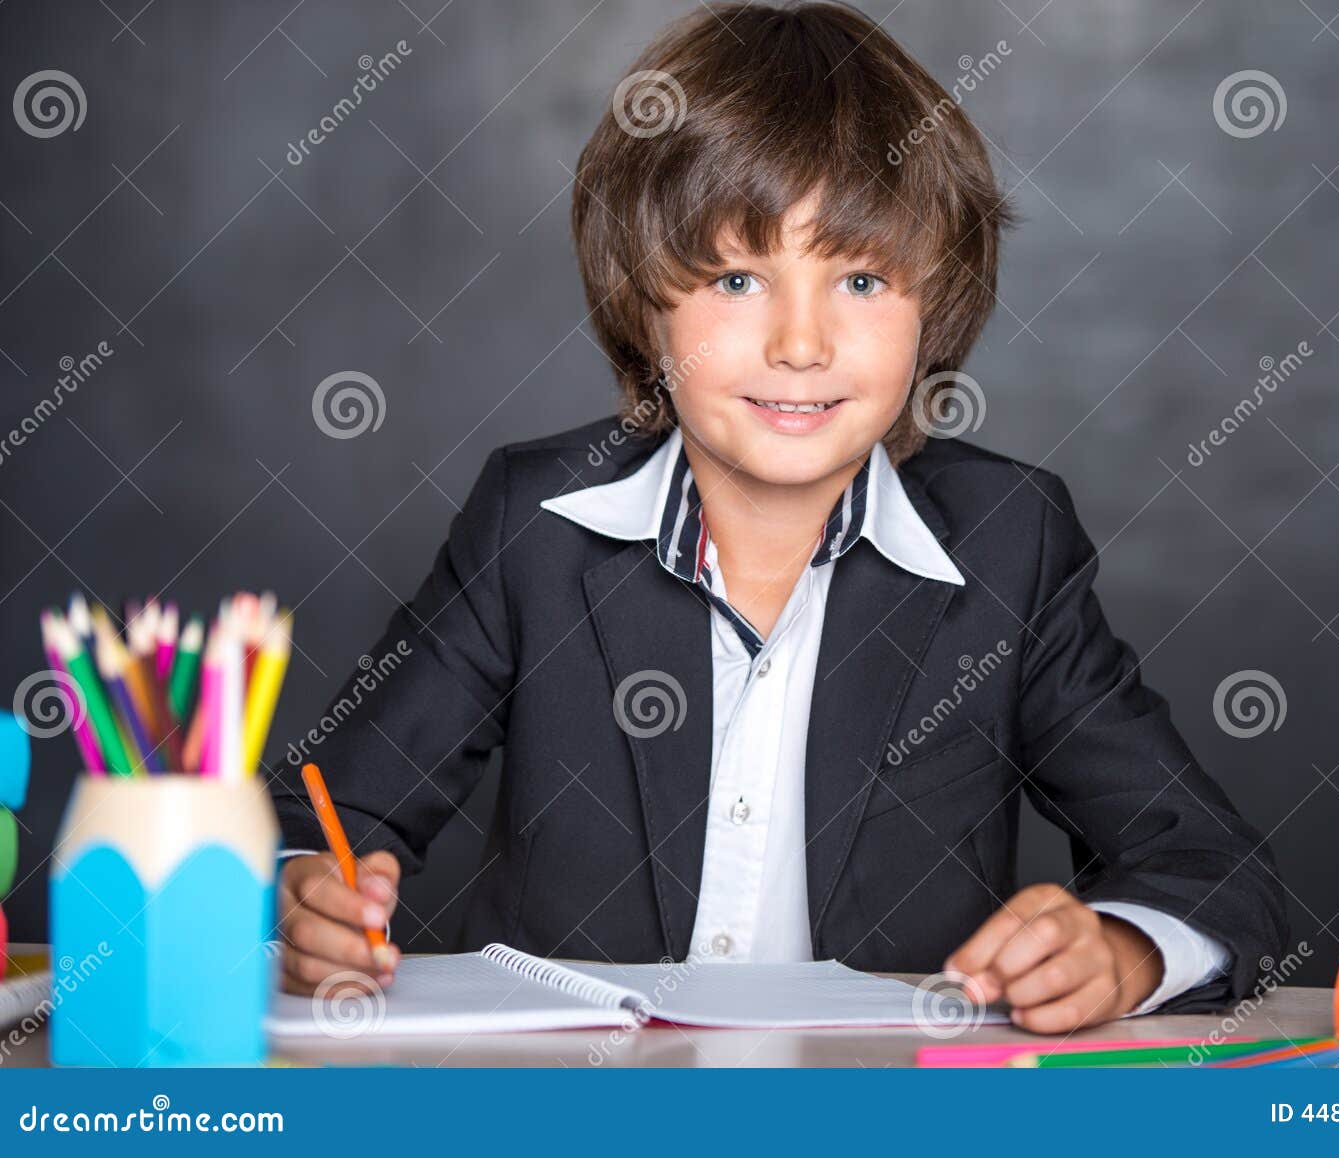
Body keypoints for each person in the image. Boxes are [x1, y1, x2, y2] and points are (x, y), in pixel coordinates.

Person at [272, 0, 1287, 1033]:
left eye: (859, 279)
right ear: (644, 305)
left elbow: (1208, 868)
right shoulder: (530, 524)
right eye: (737, 278)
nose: (800, 344)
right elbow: (314, 817)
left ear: (932, 311)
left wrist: (1118, 951)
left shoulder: (1006, 543)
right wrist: (302, 898)